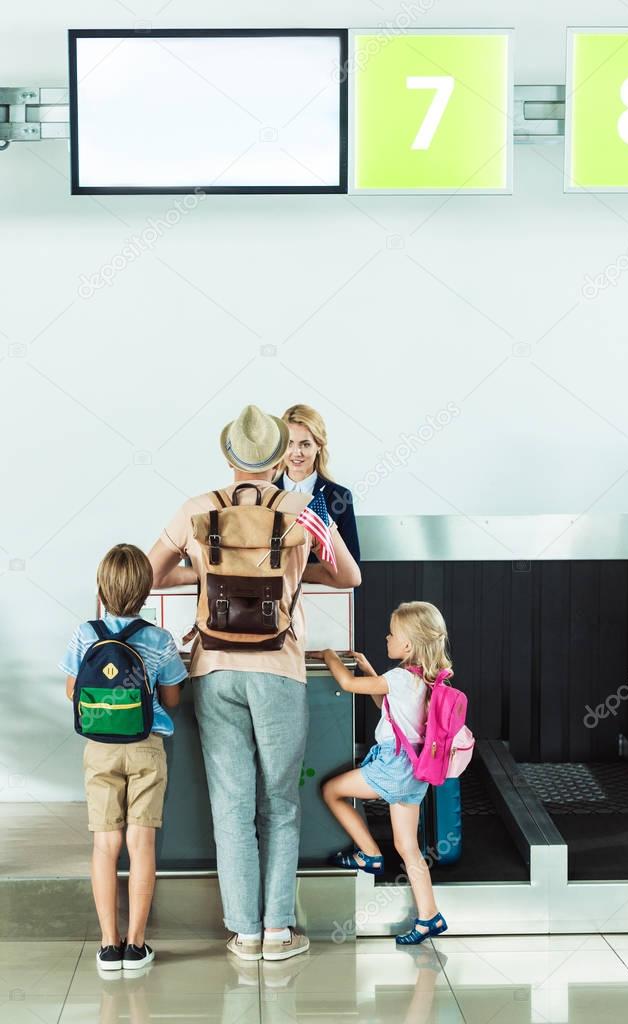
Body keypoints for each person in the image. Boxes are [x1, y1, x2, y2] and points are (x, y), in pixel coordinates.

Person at [147, 404, 361, 962]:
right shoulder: (301, 508)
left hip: (214, 671)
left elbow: (149, 574)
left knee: (231, 803)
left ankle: (242, 932)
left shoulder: (197, 509)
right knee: (280, 803)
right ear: (275, 457)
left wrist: (206, 568)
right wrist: (289, 568)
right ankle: (277, 934)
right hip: (280, 671)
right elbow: (348, 575)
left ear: (230, 455)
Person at [59, 544, 187, 971]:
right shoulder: (159, 638)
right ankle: (136, 945)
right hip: (147, 747)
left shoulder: (85, 632)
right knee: (140, 842)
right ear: (146, 590)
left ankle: (108, 946)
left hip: (99, 749)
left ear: (102, 587)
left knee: (104, 844)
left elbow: (71, 691)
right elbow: (171, 697)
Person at [316, 601, 450, 946]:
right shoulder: (425, 679)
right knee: (408, 847)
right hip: (416, 770)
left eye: (392, 634)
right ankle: (429, 917)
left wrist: (330, 655)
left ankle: (370, 854)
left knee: (332, 791)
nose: (387, 637)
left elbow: (346, 684)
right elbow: (387, 707)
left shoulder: (398, 678)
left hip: (393, 767)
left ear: (407, 645)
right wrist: (370, 668)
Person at [274, 404, 361, 563]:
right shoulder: (268, 492)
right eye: (290, 443)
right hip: (274, 588)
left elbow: (352, 563)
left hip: (322, 587)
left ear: (319, 446)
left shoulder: (339, 497)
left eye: (305, 444)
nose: (296, 452)